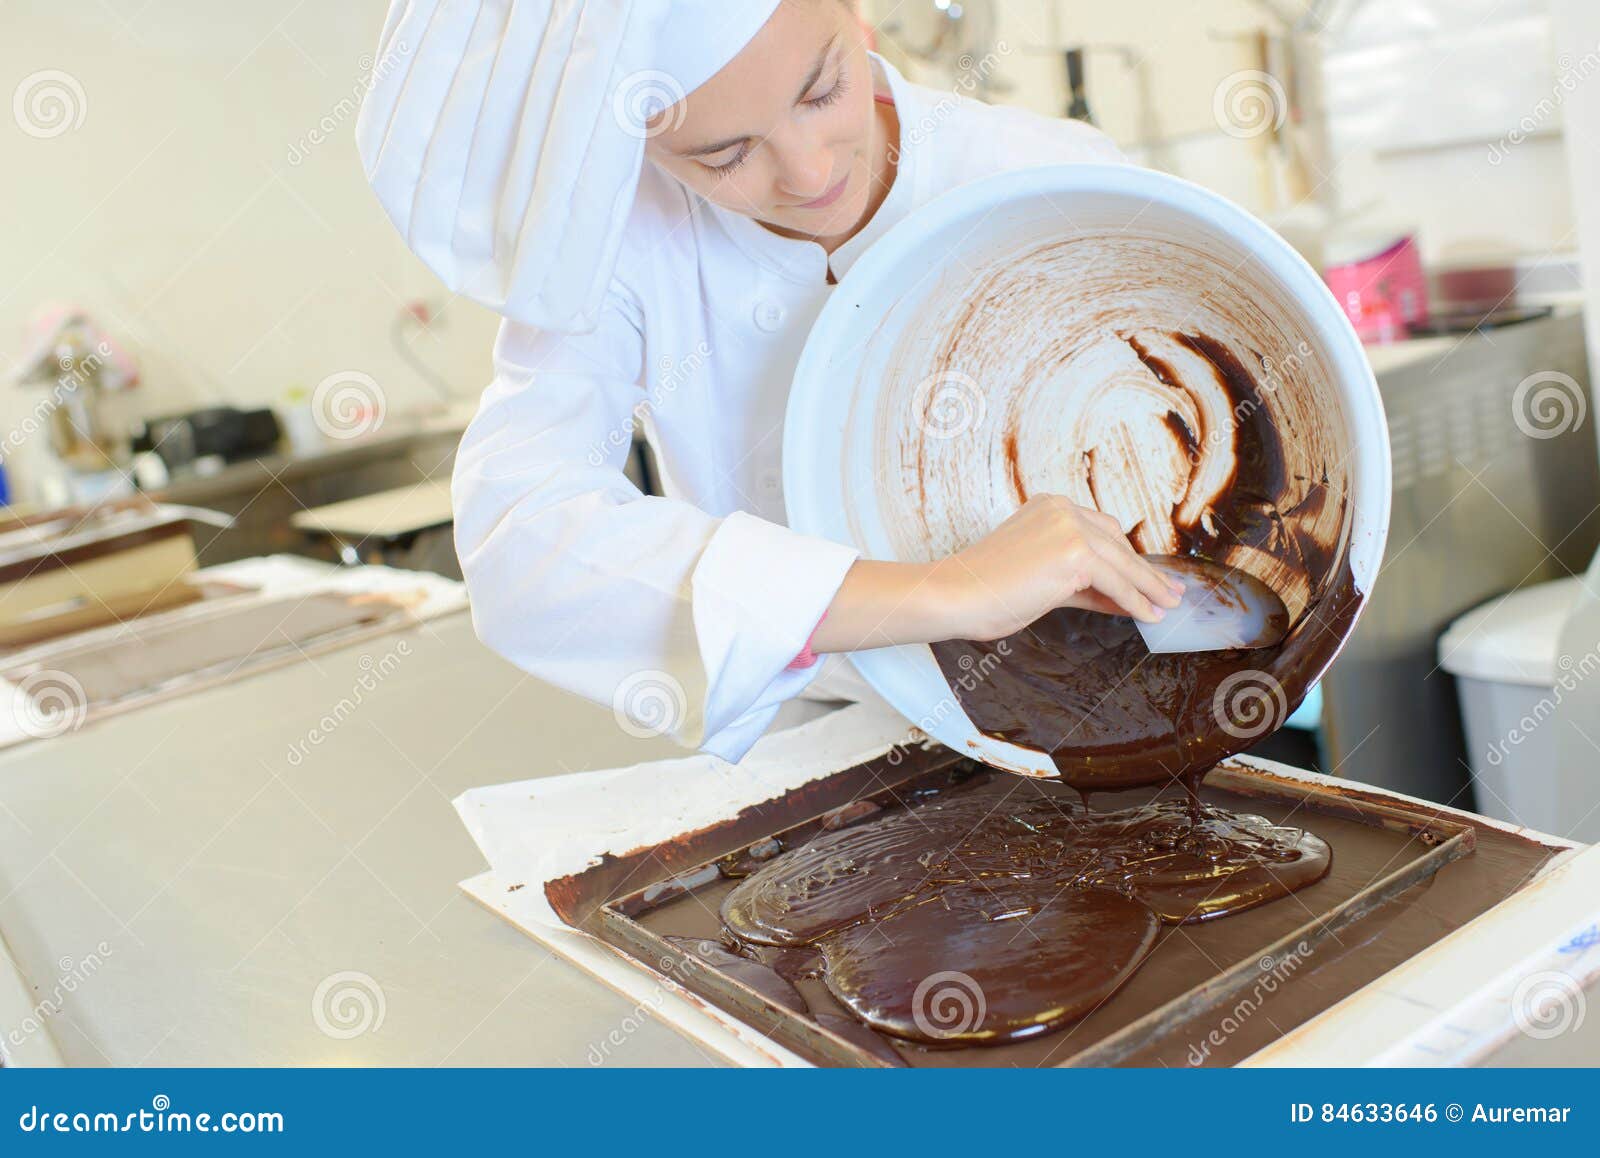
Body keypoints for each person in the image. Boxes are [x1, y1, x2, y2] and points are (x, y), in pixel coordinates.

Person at [358, 0, 1182, 761]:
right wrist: (938, 594)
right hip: (820, 739)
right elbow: (521, 538)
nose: (809, 173)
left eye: (823, 90)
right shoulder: (622, 246)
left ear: (854, 13)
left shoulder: (1043, 171)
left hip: (1099, 707)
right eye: (725, 155)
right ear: (636, 139)